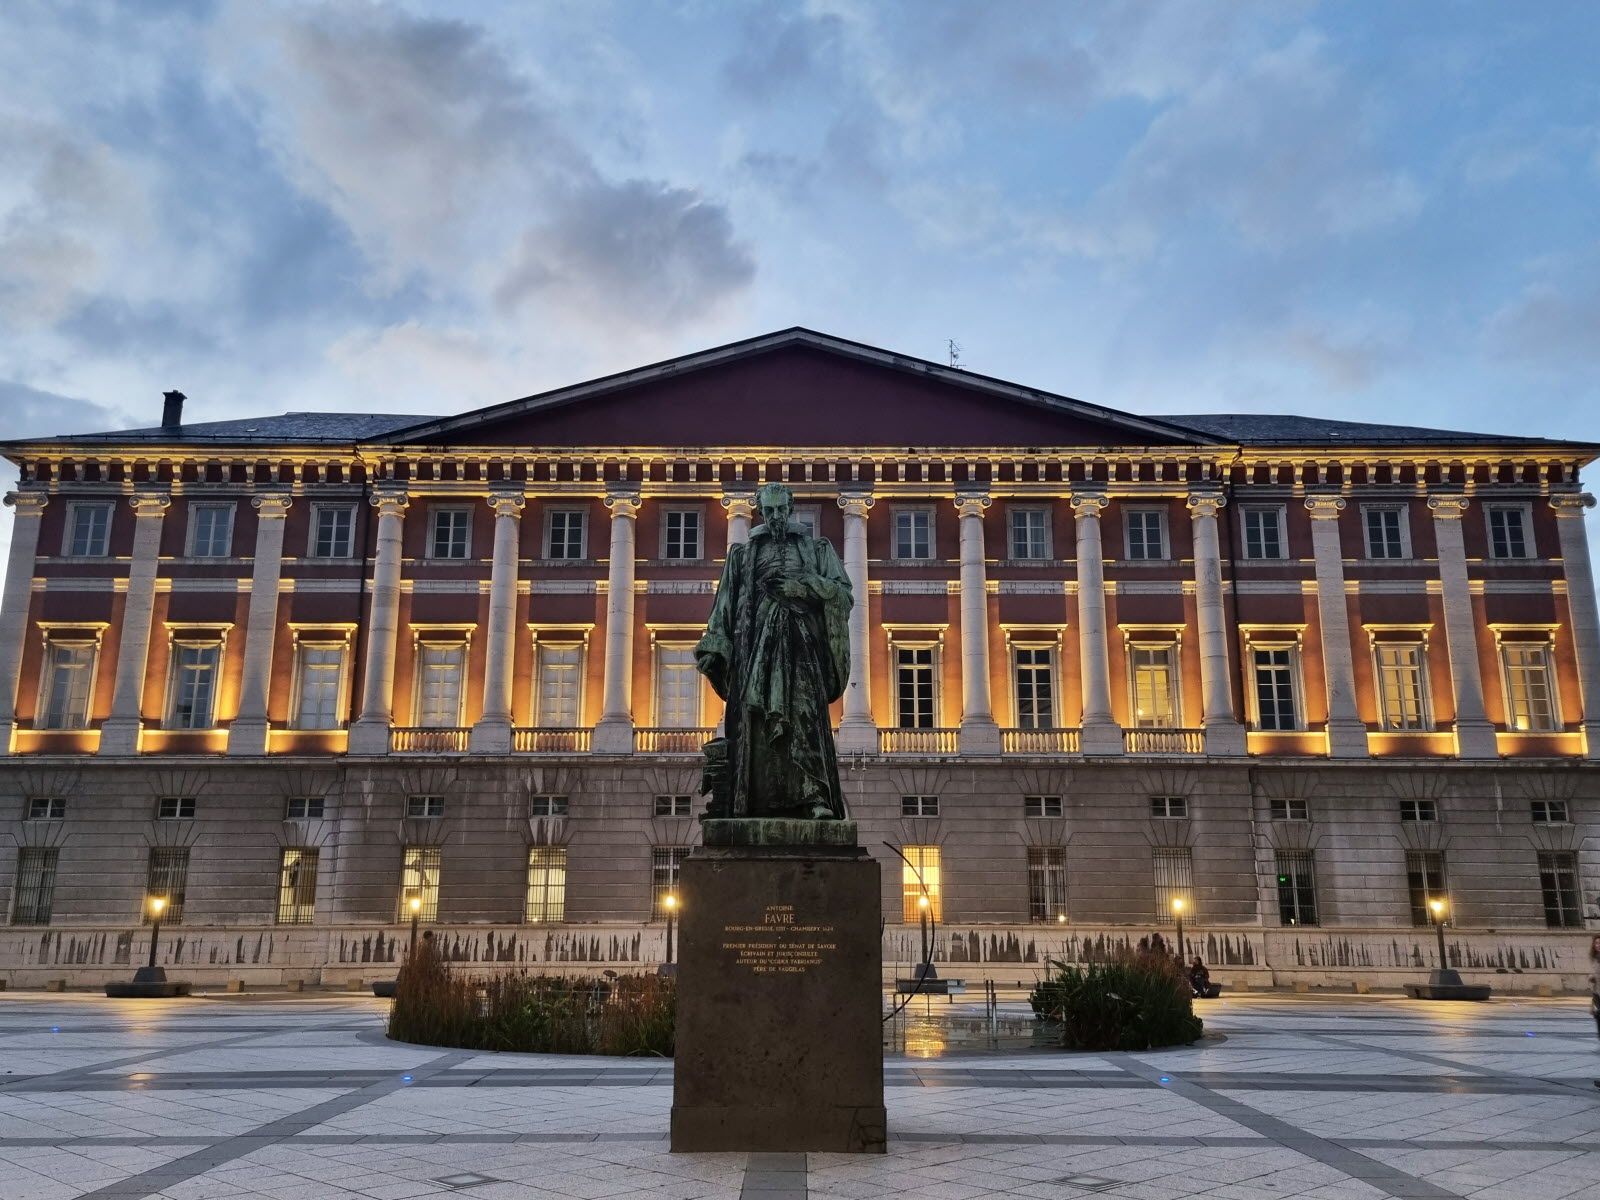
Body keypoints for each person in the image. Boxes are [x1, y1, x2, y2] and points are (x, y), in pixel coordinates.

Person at [695, 482, 854, 820]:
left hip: (802, 647)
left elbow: (843, 595)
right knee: (759, 726)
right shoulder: (743, 555)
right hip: (757, 652)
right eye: (770, 511)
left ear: (791, 508)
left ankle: (816, 797)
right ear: (760, 511)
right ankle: (759, 803)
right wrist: (715, 645)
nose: (777, 516)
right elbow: (724, 605)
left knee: (805, 718)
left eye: (782, 509)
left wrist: (803, 587)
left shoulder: (816, 550)